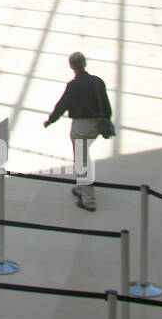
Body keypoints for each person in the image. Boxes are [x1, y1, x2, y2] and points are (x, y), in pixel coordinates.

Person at [44, 52, 113, 212]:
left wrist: (50, 120)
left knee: (82, 161)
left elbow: (62, 105)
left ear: (71, 66)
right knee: (83, 156)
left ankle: (88, 199)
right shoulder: (97, 81)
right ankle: (81, 188)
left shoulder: (73, 85)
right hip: (96, 125)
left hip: (81, 128)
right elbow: (106, 104)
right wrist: (107, 122)